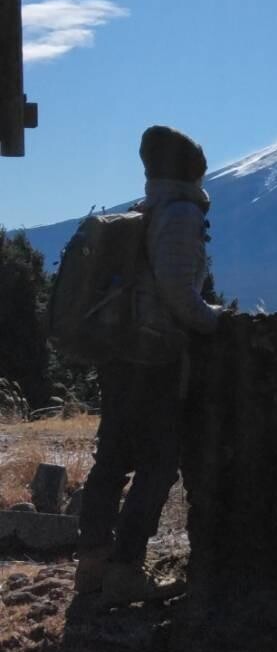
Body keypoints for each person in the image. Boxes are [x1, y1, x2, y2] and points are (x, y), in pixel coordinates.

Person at [75, 124, 223, 605]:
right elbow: (177, 291)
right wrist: (216, 321)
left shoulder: (147, 208)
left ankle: (92, 565)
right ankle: (125, 570)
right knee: (158, 465)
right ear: (193, 169)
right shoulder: (180, 214)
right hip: (153, 355)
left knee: (112, 460)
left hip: (120, 353)